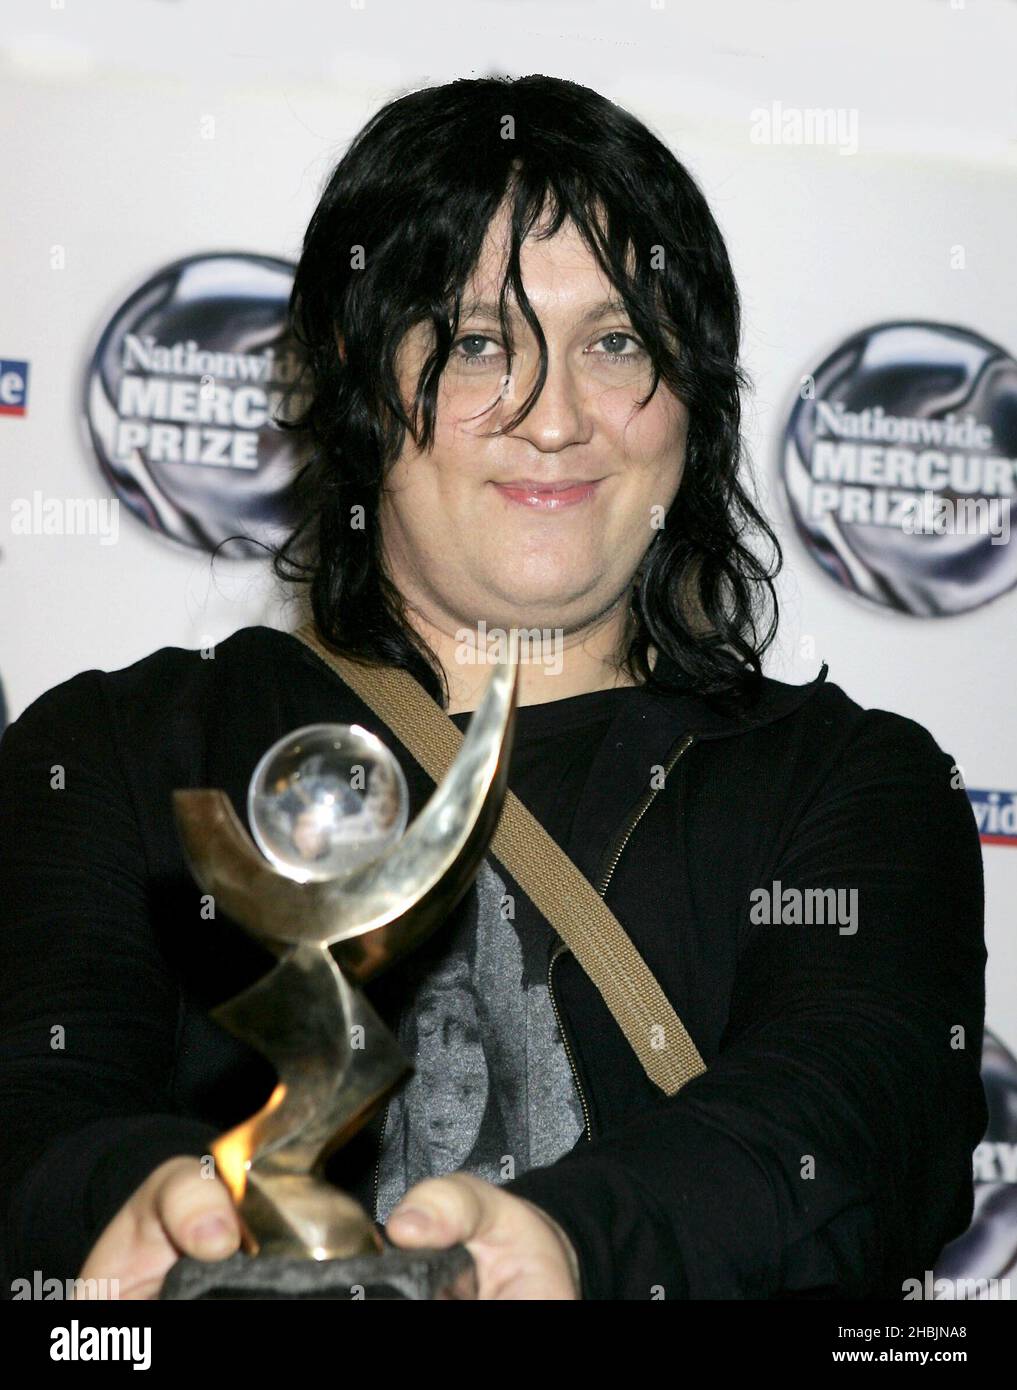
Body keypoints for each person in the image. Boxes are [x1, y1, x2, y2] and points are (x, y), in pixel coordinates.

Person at [0, 74, 986, 1302]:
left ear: (695, 398)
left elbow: (856, 1111)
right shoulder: (117, 752)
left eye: (617, 342)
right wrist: (146, 1212)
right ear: (359, 383)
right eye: (479, 345)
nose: (557, 417)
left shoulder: (850, 782)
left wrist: (572, 1247)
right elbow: (35, 1088)